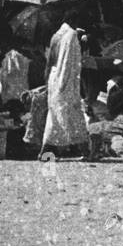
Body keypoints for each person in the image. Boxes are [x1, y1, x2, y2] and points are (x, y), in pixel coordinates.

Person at [43, 21, 89, 158]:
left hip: (54, 78)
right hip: (65, 81)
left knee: (55, 117)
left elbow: (51, 60)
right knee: (72, 116)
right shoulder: (71, 36)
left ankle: (47, 150)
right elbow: (67, 61)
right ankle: (83, 150)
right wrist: (64, 84)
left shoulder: (57, 35)